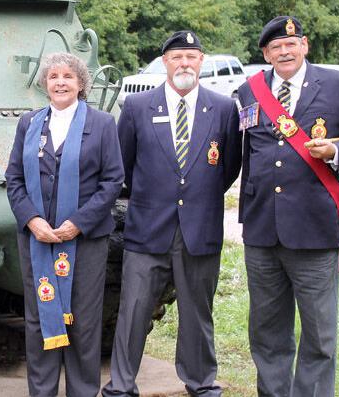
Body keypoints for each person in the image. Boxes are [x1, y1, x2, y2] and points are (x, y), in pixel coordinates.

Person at [236, 16, 339, 397]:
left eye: (291, 44)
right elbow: (244, 153)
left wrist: (335, 151)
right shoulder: (249, 91)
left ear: (305, 46)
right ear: (266, 54)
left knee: (318, 334)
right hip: (262, 229)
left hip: (314, 229)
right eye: (276, 47)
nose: (284, 51)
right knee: (266, 331)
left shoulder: (337, 85)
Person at [103, 31, 241, 397]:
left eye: (191, 57)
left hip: (200, 229)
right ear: (164, 61)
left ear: (202, 61)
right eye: (177, 57)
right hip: (147, 228)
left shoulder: (224, 109)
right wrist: (153, 197)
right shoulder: (136, 108)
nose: (184, 63)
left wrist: (195, 197)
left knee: (198, 312)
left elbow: (227, 169)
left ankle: (200, 382)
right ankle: (121, 384)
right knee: (132, 311)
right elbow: (124, 167)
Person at [4, 52, 124, 397]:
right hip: (38, 239)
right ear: (44, 84)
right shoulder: (29, 123)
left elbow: (113, 180)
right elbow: (13, 178)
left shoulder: (101, 124)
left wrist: (79, 223)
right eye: (53, 76)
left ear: (81, 84)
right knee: (40, 317)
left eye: (68, 77)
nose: (60, 82)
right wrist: (32, 219)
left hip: (84, 242)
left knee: (84, 323)